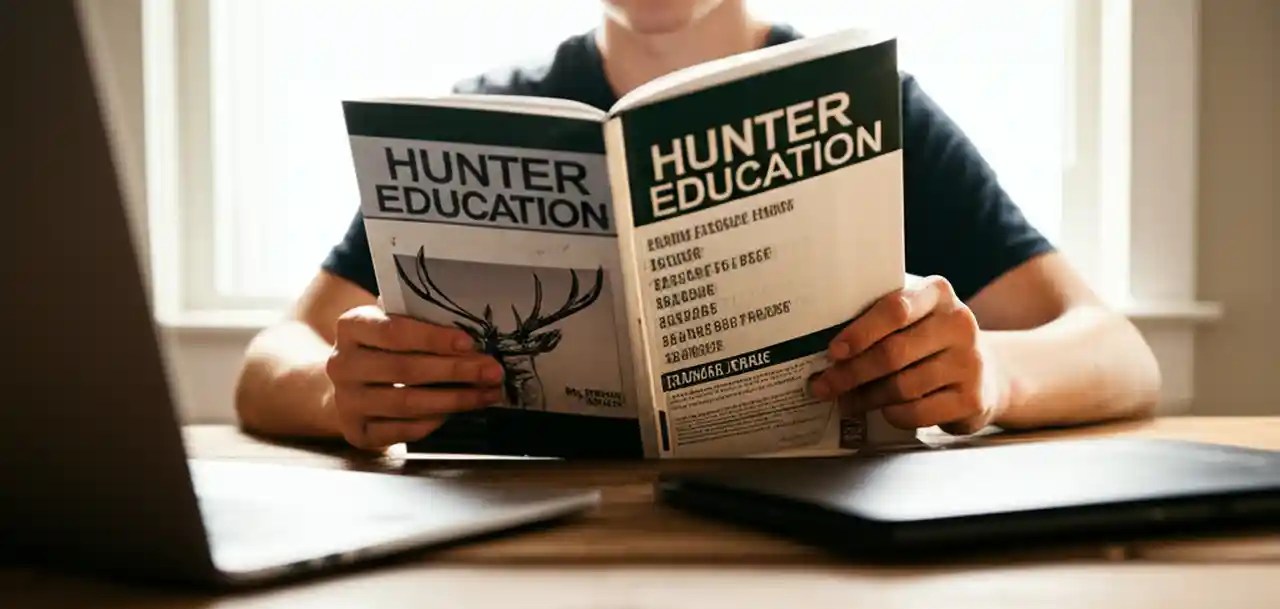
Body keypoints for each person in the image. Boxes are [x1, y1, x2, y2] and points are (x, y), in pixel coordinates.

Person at [234, 0, 1161, 451]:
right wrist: (334, 393)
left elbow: (1119, 352)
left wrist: (994, 372)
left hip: (817, 573)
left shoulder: (870, 110)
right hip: (524, 580)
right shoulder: (484, 125)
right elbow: (271, 359)